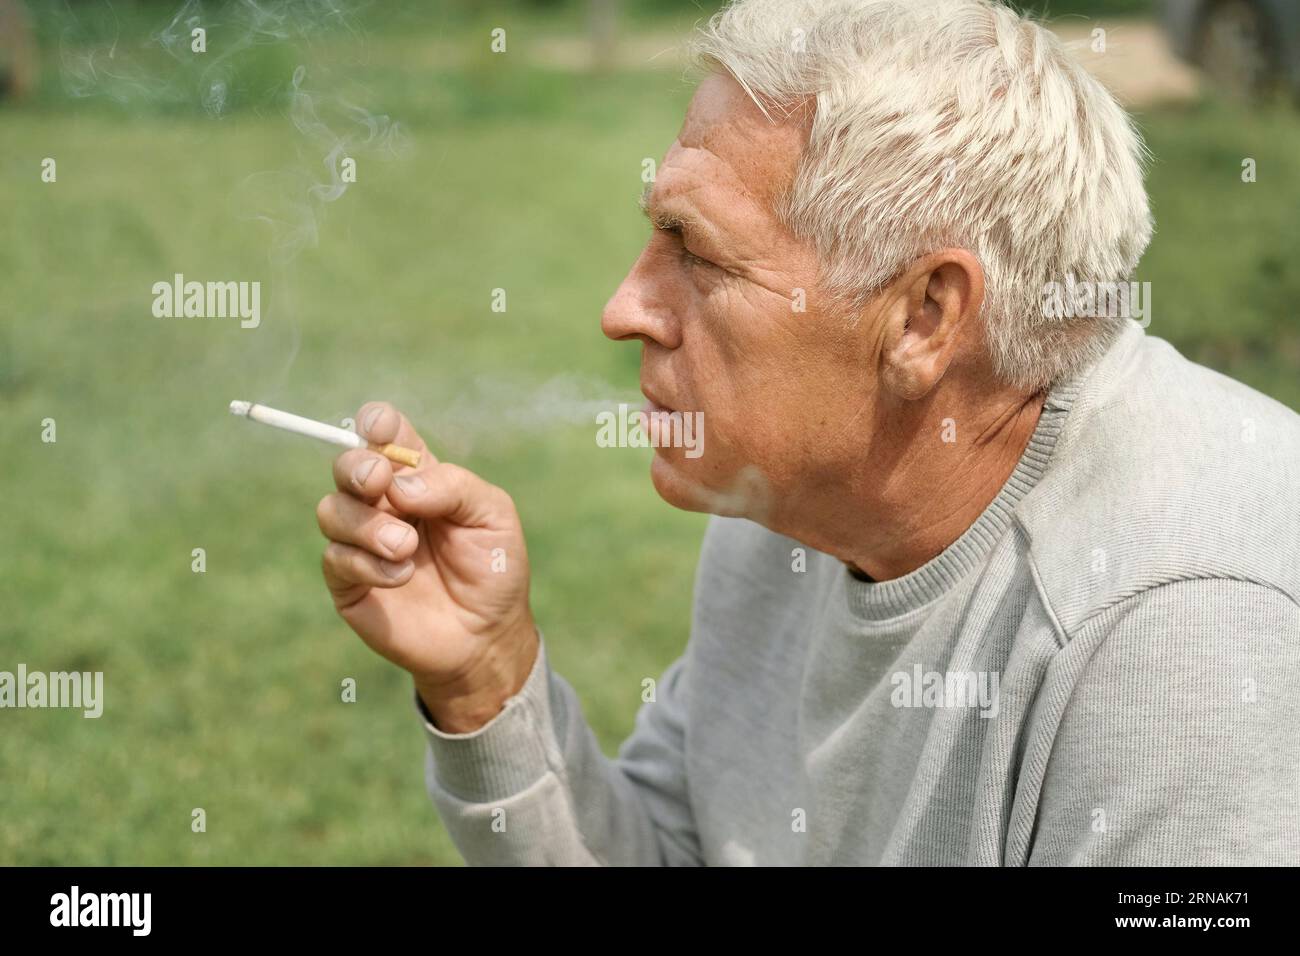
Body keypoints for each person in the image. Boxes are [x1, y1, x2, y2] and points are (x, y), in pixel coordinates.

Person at [313, 0, 1300, 865]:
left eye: (697, 253)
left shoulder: (1181, 631)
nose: (624, 307)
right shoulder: (789, 508)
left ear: (923, 317)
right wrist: (488, 679)